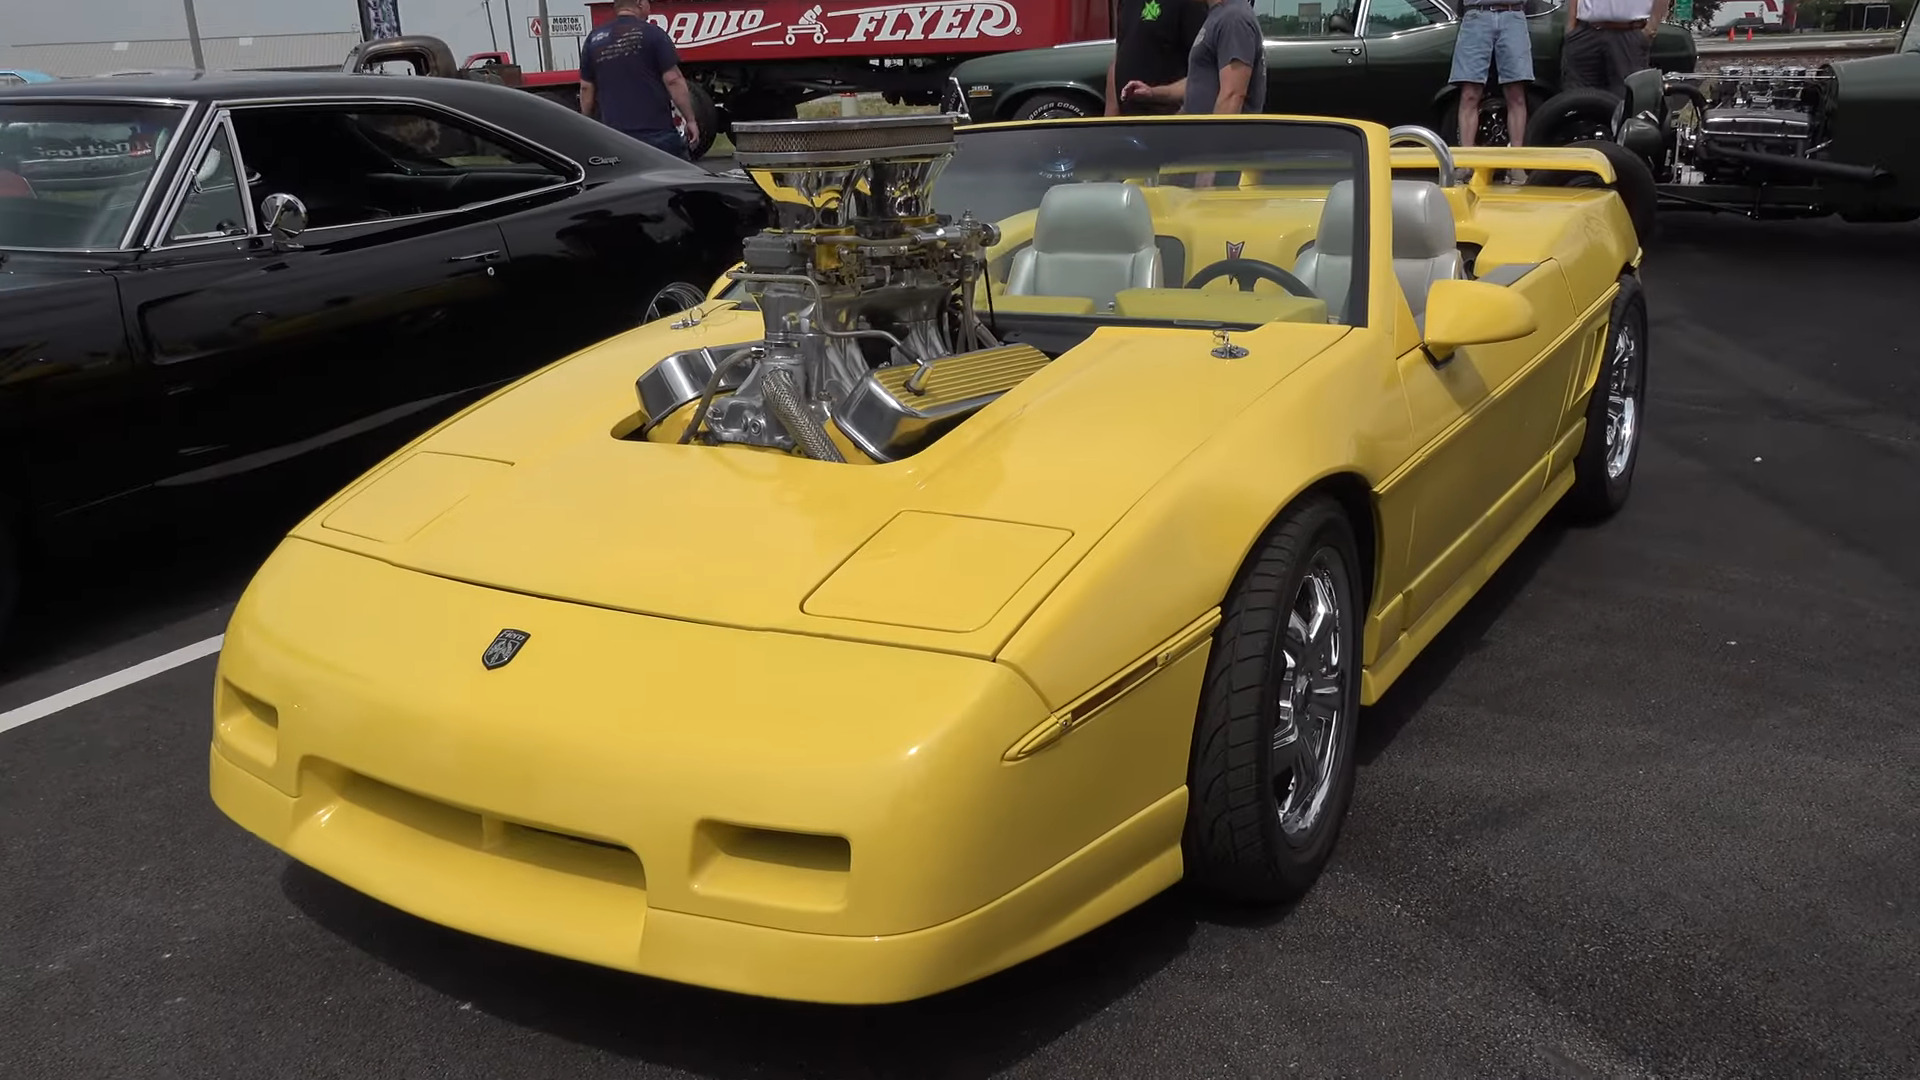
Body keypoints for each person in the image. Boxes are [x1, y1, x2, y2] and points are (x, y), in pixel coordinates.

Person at [579, 0, 700, 160]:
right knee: (678, 181)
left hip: (614, 137)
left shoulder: (594, 40)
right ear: (640, 3)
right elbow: (673, 80)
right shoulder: (654, 34)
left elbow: (586, 88)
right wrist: (690, 120)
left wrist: (585, 123)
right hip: (657, 134)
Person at [1118, 0, 1268, 116]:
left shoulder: (1234, 19)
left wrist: (1212, 150)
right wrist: (1153, 93)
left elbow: (1232, 95)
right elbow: (1199, 81)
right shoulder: (1217, 17)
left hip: (1215, 150)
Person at [1449, 0, 1534, 150]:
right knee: (1470, 94)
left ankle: (1517, 164)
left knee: (1516, 94)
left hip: (1513, 14)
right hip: (1476, 15)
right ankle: (1467, 162)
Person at [1106, 0, 1210, 116]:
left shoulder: (1190, 4)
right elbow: (1120, 53)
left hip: (1166, 119)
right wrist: (1111, 112)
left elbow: (1205, 73)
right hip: (1128, 120)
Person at [1561, 0, 1669, 100]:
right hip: (1585, 32)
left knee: (1625, 99)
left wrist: (1651, 28)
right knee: (1577, 99)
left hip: (1628, 34)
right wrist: (1571, 24)